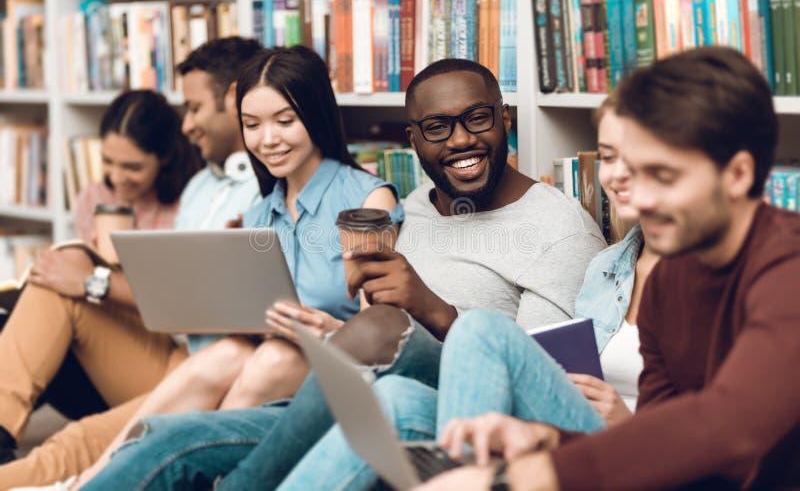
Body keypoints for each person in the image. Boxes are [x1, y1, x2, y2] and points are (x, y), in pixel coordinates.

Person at [82, 58, 606, 490]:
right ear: (413, 140)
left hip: (456, 409)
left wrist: (434, 309)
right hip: (357, 385)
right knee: (169, 438)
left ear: (506, 120)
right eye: (437, 128)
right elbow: (368, 332)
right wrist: (331, 332)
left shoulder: (557, 228)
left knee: (380, 336)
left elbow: (542, 378)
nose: (460, 142)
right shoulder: (415, 208)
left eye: (478, 119)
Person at [419, 47, 800, 490]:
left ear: (736, 175)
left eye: (663, 176)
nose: (637, 198)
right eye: (629, 170)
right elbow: (655, 443)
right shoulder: (668, 278)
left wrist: (533, 473)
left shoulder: (787, 270)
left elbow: (735, 427)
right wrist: (549, 438)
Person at [275, 94, 662, 490]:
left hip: (634, 453)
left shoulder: (695, 281)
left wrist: (629, 426)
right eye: (609, 158)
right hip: (572, 430)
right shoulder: (611, 267)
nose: (616, 176)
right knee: (393, 397)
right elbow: (561, 368)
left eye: (642, 161)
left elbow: (707, 433)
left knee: (472, 329)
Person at [73, 44, 403, 488]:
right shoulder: (259, 213)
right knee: (227, 353)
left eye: (285, 121)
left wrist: (324, 329)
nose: (268, 139)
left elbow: (382, 332)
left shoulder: (366, 200)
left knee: (272, 357)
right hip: (263, 360)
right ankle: (98, 476)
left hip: (340, 369)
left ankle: (194, 472)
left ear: (317, 116)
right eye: (252, 125)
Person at [0, 37, 263, 489]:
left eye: (195, 108)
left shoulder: (265, 189)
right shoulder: (202, 185)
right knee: (58, 272)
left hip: (216, 367)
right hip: (170, 348)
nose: (187, 125)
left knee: (78, 441)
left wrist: (97, 283)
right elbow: (174, 293)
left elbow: (219, 304)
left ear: (235, 99)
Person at [0, 90, 201, 475]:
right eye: (108, 161)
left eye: (133, 167)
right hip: (108, 344)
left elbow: (185, 309)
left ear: (164, 157)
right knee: (44, 288)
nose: (116, 176)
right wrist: (83, 264)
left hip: (170, 346)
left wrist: (99, 279)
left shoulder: (188, 204)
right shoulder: (94, 196)